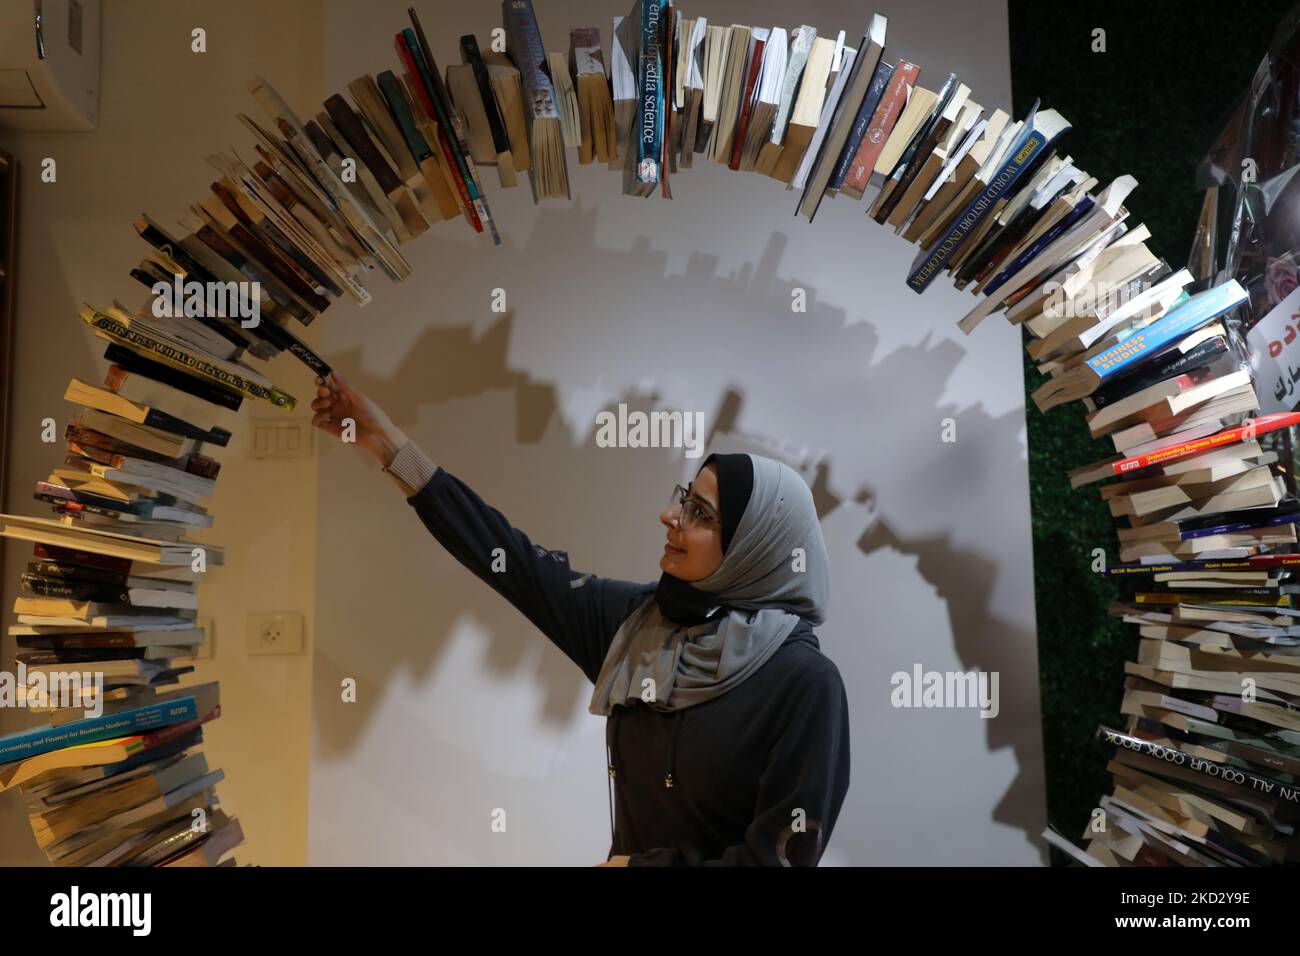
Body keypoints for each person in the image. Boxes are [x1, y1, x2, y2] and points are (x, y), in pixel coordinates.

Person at [310, 371, 851, 866]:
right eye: (685, 498)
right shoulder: (640, 626)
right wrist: (385, 443)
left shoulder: (804, 685)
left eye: (700, 515)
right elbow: (510, 561)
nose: (671, 516)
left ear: (753, 549)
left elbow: (780, 859)